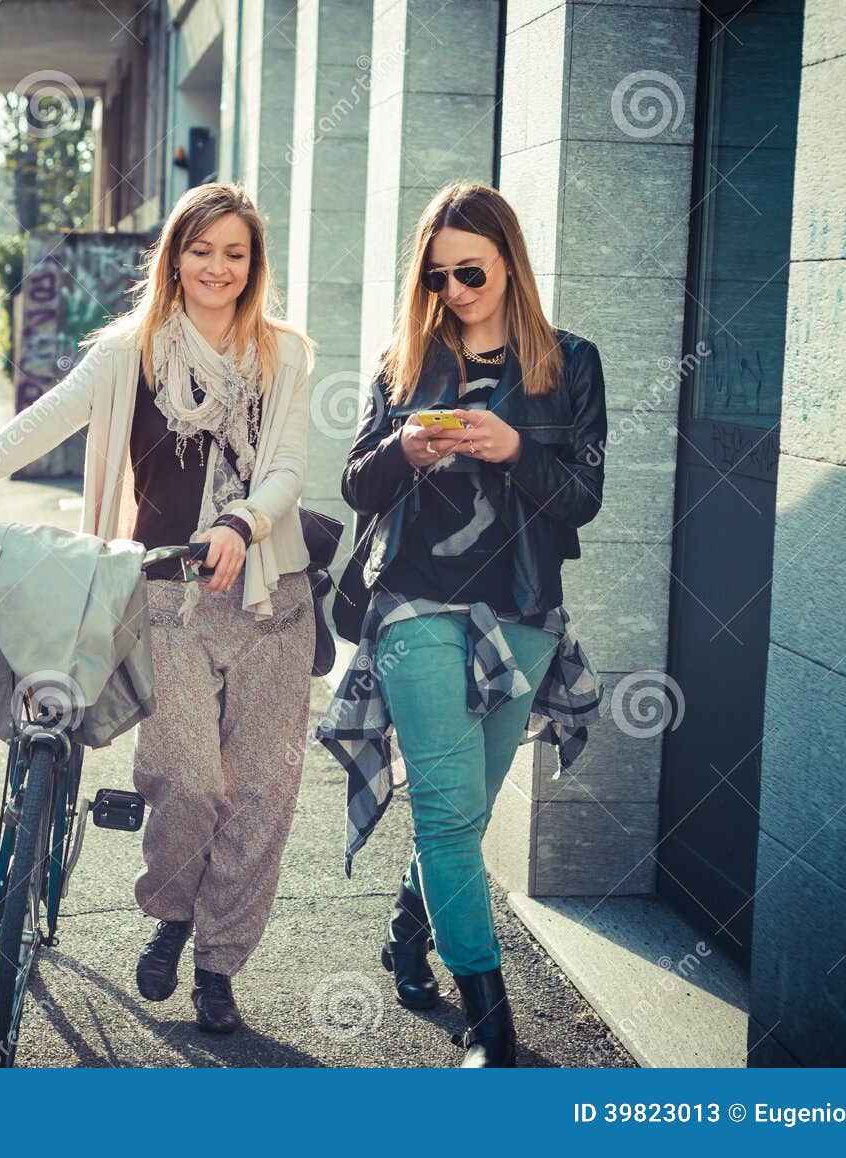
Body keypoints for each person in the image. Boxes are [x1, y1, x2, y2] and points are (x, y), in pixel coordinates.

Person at [0, 183, 317, 1034]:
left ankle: (217, 961)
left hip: (273, 598)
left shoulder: (283, 355)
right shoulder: (131, 353)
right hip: (164, 589)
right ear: (174, 257)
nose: (217, 268)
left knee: (264, 795)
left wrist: (243, 521)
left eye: (235, 253)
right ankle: (172, 910)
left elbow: (284, 469)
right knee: (190, 782)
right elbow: (36, 426)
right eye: (201, 250)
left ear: (254, 264)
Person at [318, 181, 604, 1066]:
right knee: (446, 814)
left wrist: (517, 449)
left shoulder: (570, 363)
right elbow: (358, 486)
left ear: (509, 260)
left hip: (522, 608)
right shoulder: (404, 363)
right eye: (437, 276)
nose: (454, 290)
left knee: (466, 813)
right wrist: (404, 448)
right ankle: (491, 1023)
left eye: (470, 271)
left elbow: (585, 500)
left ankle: (409, 928)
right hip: (412, 605)